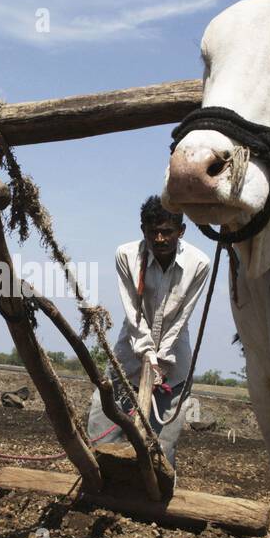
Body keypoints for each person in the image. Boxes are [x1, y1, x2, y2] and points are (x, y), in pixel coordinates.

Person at [86, 194, 211, 471]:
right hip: (127, 360)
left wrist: (162, 358)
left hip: (173, 367)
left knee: (160, 447)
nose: (160, 239)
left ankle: (154, 505)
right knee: (102, 429)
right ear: (143, 230)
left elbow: (182, 317)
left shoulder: (199, 264)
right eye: (152, 232)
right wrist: (147, 354)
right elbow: (132, 311)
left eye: (167, 232)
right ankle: (98, 490)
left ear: (181, 231)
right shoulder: (127, 255)